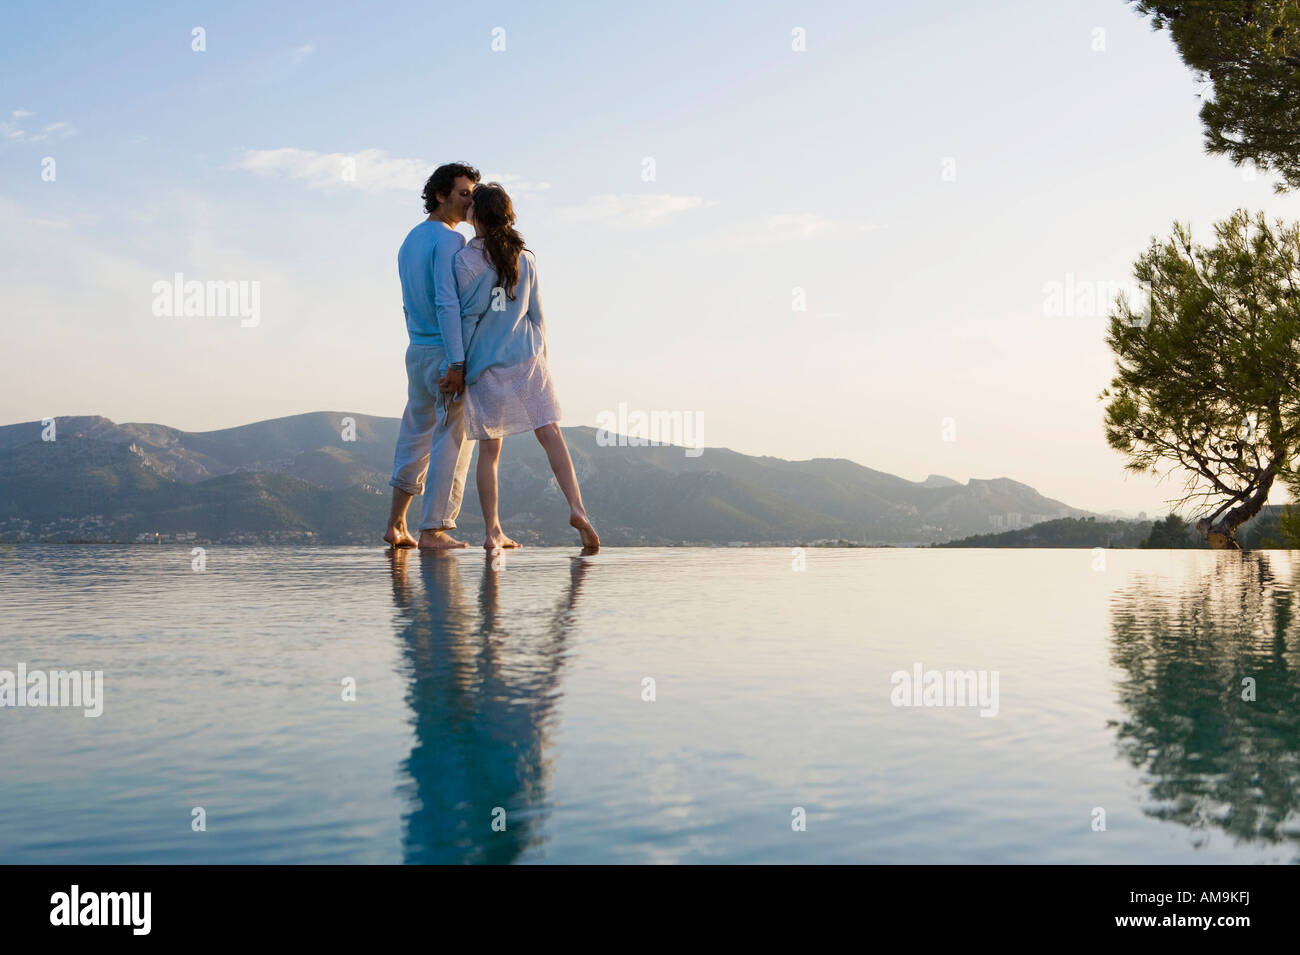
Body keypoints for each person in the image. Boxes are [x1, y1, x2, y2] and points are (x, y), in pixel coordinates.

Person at [450, 181, 600, 553]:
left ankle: (493, 531)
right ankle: (577, 508)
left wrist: (460, 366)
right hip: (528, 359)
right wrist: (542, 360)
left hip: (486, 365)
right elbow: (538, 316)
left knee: (490, 451)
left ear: (476, 216)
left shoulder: (466, 260)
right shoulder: (526, 258)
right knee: (551, 434)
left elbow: (467, 319)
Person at [384, 162, 481, 550]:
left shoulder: (410, 239)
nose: (470, 200)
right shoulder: (450, 241)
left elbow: (409, 303)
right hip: (444, 352)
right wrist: (457, 362)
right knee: (451, 441)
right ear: (440, 195)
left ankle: (396, 524)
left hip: (416, 351)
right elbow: (446, 300)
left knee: (414, 436)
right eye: (463, 193)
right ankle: (434, 529)